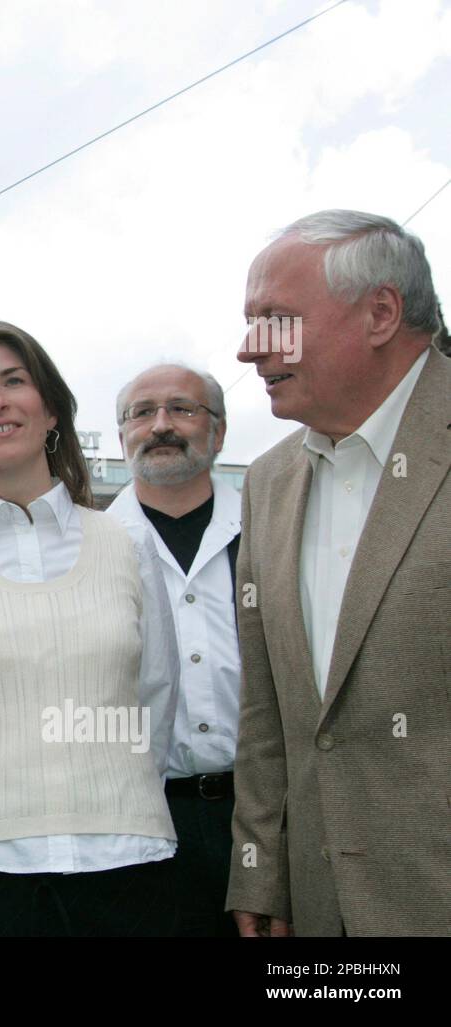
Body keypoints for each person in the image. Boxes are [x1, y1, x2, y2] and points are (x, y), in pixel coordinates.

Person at [0, 321, 180, 937]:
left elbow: (157, 700)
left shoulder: (129, 543)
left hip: (128, 870)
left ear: (50, 411)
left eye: (13, 381)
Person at [229, 209, 450, 937]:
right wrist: (261, 867)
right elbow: (266, 711)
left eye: (275, 320)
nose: (247, 350)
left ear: (381, 312)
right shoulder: (267, 482)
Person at [107, 363, 242, 937]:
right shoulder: (89, 547)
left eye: (182, 409)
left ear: (219, 430)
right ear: (122, 437)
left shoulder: (273, 528)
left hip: (262, 817)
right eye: (142, 413)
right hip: (142, 819)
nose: (160, 425)